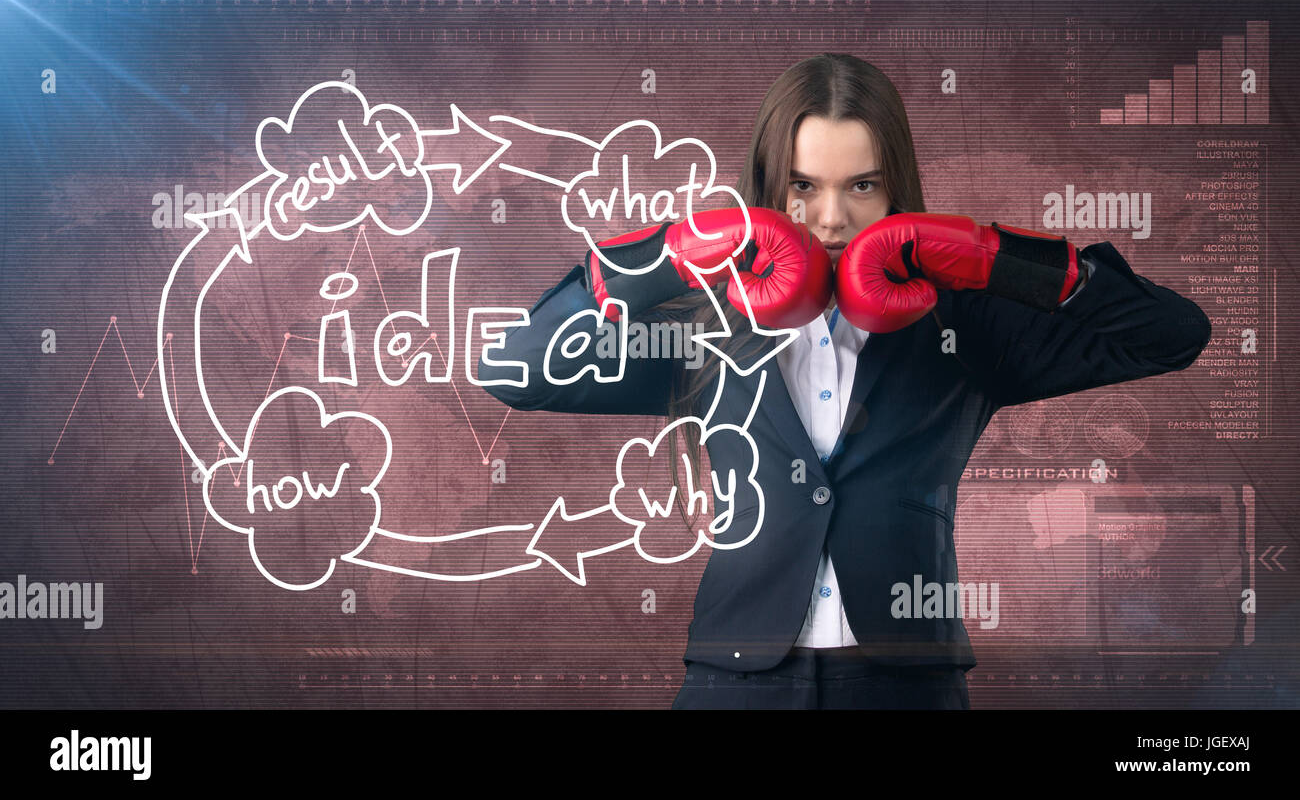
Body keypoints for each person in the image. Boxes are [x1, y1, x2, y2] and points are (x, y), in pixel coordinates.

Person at [477, 53, 1210, 709]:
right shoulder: (702, 325)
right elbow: (510, 367)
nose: (832, 218)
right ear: (769, 185)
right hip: (735, 680)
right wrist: (668, 255)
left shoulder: (966, 324)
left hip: (907, 684)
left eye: (862, 184)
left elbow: (1174, 335)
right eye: (803, 186)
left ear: (896, 190)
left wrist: (995, 259)